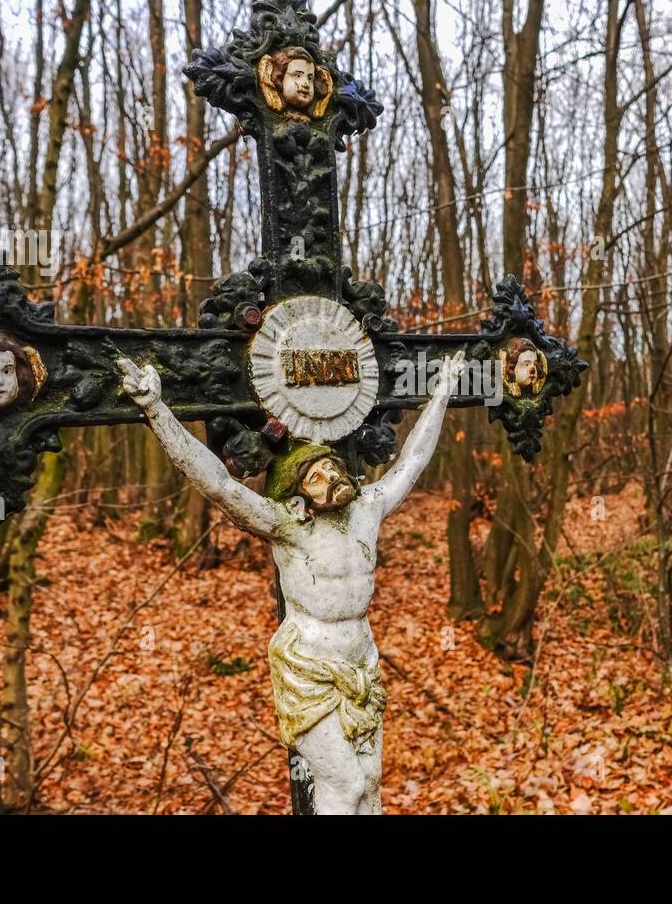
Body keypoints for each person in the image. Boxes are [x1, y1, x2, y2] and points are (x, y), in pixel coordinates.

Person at [116, 349, 465, 814]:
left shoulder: (366, 509)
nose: (330, 478)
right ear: (298, 496)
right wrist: (156, 410)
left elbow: (413, 461)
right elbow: (218, 483)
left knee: (371, 784)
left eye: (332, 469)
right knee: (344, 784)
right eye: (315, 477)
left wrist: (441, 392)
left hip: (361, 656)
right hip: (309, 663)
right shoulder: (288, 526)